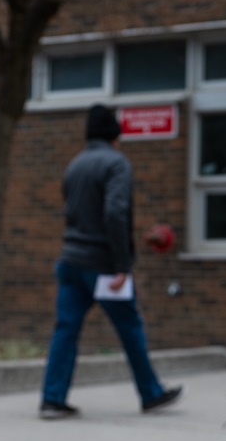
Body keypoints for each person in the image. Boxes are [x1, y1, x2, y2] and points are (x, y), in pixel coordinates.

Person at [39, 104, 183, 420]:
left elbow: (74, 213)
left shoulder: (74, 166)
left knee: (65, 329)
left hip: (70, 261)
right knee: (129, 327)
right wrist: (121, 265)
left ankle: (52, 398)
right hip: (102, 266)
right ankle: (151, 393)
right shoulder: (117, 164)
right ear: (115, 135)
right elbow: (114, 213)